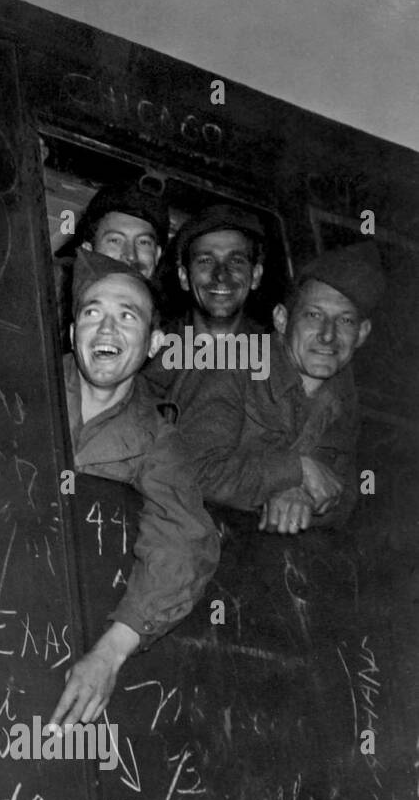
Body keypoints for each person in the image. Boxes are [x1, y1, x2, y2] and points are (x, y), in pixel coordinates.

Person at [50, 250, 219, 728]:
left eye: (127, 317)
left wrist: (110, 654)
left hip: (75, 637)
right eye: (92, 313)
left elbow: (184, 543)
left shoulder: (160, 439)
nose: (106, 331)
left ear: (153, 343)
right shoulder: (22, 384)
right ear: (70, 333)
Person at [176, 242, 384, 534]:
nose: (328, 335)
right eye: (313, 315)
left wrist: (297, 498)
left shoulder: (343, 396)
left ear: (361, 334)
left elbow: (345, 497)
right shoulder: (231, 364)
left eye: (345, 321)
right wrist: (297, 470)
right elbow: (191, 469)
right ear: (282, 319)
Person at [142, 203, 267, 410]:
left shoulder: (277, 358)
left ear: (255, 276)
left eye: (236, 261)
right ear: (184, 277)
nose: (220, 275)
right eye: (206, 261)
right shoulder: (151, 352)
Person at [54, 179, 169, 336]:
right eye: (115, 240)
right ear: (88, 250)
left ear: (157, 255)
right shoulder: (51, 299)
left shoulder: (170, 331)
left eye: (143, 242)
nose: (130, 255)